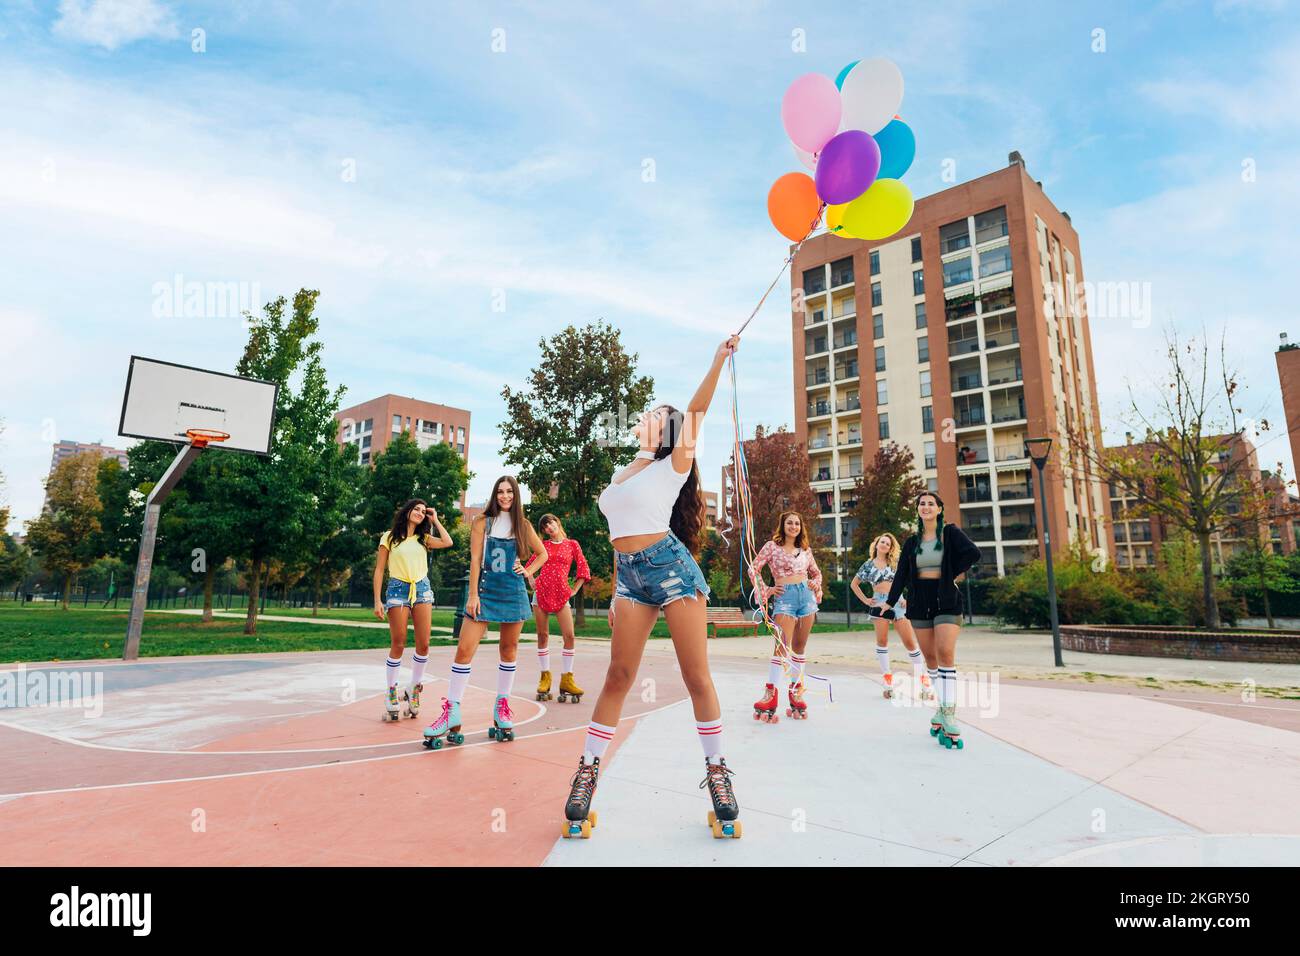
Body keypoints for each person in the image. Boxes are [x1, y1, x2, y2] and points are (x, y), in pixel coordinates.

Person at [561, 335, 743, 841]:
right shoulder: (625, 470)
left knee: (695, 677)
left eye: (655, 413)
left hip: (671, 570)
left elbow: (698, 407)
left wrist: (717, 359)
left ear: (668, 430)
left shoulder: (674, 464)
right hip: (632, 579)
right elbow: (619, 535)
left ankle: (718, 775)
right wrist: (621, 587)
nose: (645, 415)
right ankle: (587, 774)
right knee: (618, 676)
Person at [422, 476, 547, 748]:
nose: (504, 496)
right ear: (494, 494)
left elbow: (543, 554)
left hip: (513, 591)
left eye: (509, 492)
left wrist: (527, 571)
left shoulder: (523, 525)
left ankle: (501, 707)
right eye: (500, 492)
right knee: (464, 650)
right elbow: (476, 559)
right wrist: (473, 594)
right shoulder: (482, 522)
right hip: (486, 591)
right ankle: (451, 710)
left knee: (509, 649)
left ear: (516, 496)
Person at [872, 492, 980, 749]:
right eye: (922, 504)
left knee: (945, 652)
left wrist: (949, 572)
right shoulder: (911, 542)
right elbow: (900, 576)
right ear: (918, 510)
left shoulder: (950, 533)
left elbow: (973, 554)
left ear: (940, 509)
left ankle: (950, 713)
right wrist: (889, 603)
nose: (926, 507)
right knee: (930, 658)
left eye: (931, 503)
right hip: (919, 602)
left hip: (946, 600)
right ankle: (941, 708)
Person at [373, 499, 453, 720]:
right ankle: (391, 692)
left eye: (422, 511)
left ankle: (414, 689)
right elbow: (380, 570)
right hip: (397, 590)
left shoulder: (424, 539)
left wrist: (435, 519)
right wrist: (377, 601)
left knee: (424, 644)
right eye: (416, 509)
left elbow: (448, 542)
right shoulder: (389, 538)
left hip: (422, 589)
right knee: (398, 642)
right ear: (407, 511)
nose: (419, 512)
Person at [748, 511, 823, 721]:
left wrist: (815, 584)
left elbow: (816, 573)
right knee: (781, 646)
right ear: (783, 525)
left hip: (806, 599)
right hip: (785, 599)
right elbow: (753, 568)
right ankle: (770, 693)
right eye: (789, 523)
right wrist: (767, 589)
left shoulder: (806, 550)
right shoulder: (772, 546)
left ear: (801, 527)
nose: (793, 526)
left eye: (797, 523)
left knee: (799, 648)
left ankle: (796, 691)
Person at [849, 532, 933, 702]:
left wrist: (909, 599)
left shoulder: (896, 563)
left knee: (910, 643)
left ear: (890, 548)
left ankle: (925, 682)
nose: (884, 545)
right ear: (877, 544)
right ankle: (888, 682)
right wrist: (866, 600)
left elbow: (914, 580)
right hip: (879, 604)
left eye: (888, 544)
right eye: (882, 542)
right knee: (882, 642)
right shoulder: (867, 565)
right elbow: (854, 584)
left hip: (898, 602)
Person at [527, 514, 592, 703]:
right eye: (544, 526)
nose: (548, 527)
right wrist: (531, 579)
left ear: (557, 522)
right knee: (543, 635)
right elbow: (529, 565)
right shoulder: (544, 546)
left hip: (562, 594)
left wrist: (574, 590)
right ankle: (545, 678)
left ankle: (567, 679)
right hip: (541, 593)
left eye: (550, 523)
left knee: (569, 636)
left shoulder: (572, 544)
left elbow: (583, 568)